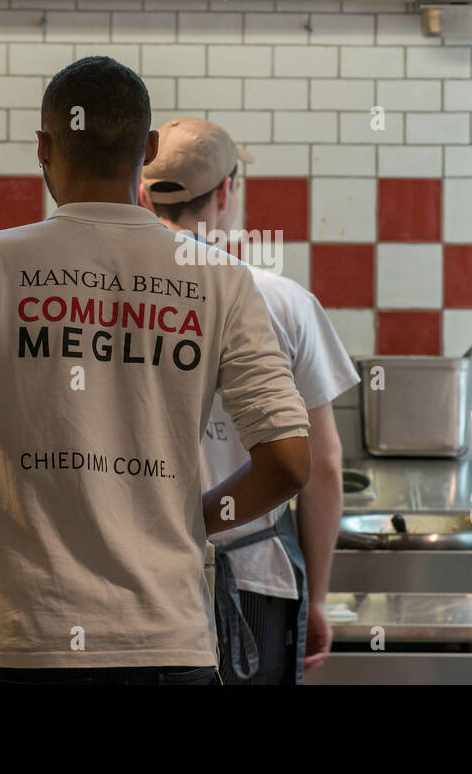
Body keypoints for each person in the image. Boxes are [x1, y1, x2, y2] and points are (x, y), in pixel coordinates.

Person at [0, 56, 312, 685]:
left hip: (23, 640)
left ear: (42, 147)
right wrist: (193, 522)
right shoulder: (220, 279)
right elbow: (288, 462)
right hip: (164, 641)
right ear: (146, 149)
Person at [139, 118, 358, 684]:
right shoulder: (282, 301)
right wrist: (318, 598)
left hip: (140, 579)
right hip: (256, 577)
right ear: (225, 194)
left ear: (143, 192)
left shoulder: (112, 300)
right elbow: (322, 465)